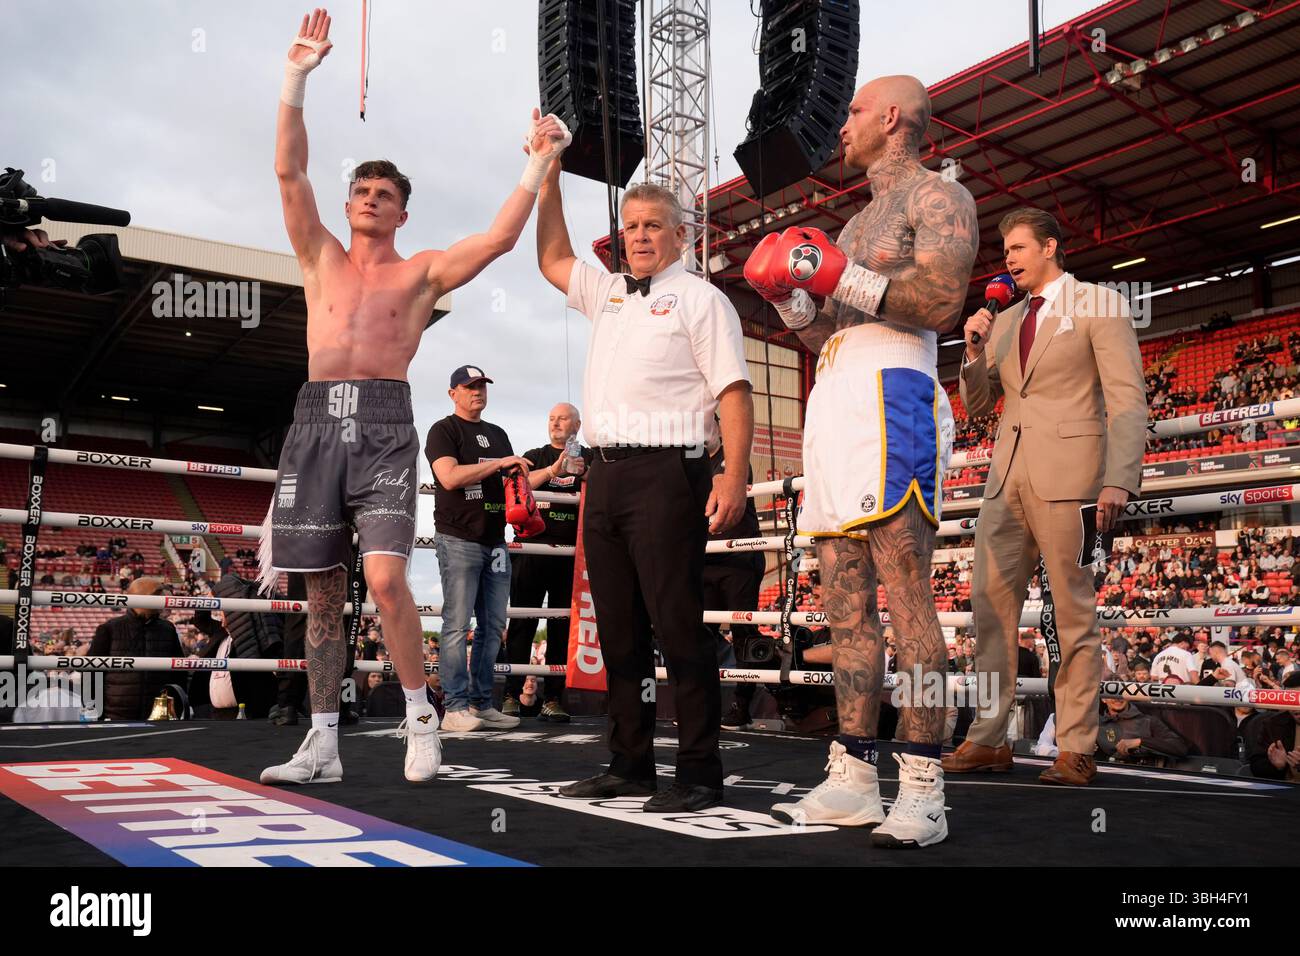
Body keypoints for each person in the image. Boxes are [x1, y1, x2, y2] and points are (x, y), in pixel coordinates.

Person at [258, 8, 571, 785]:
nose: (367, 197)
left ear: (402, 210)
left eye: (382, 191)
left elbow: (498, 240)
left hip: (386, 421)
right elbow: (290, 173)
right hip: (314, 421)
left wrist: (537, 163)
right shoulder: (319, 253)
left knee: (389, 579)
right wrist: (295, 77)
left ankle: (420, 716)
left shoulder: (422, 269)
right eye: (360, 188)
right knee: (322, 597)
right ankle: (322, 743)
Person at [744, 76, 977, 847]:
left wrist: (839, 275)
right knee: (844, 602)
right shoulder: (853, 220)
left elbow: (941, 300)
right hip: (839, 390)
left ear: (890, 118)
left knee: (906, 591)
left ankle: (924, 785)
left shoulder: (937, 198)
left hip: (894, 392)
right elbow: (832, 331)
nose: (838, 124)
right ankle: (853, 776)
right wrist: (789, 305)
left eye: (850, 111)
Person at [536, 158, 754, 812]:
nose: (638, 235)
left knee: (678, 626)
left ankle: (699, 772)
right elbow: (551, 256)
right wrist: (547, 179)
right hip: (602, 475)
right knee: (619, 631)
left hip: (668, 472)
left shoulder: (701, 299)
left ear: (680, 235)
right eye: (629, 225)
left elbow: (734, 394)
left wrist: (734, 474)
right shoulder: (605, 293)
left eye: (652, 225)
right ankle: (629, 764)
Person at [943, 205, 1146, 788]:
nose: (1008, 259)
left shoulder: (1099, 304)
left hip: (1076, 479)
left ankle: (1076, 747)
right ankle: (987, 738)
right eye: (1005, 250)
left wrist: (1118, 477)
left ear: (1051, 247)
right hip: (1005, 481)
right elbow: (980, 406)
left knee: (1073, 615)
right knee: (987, 609)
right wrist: (975, 351)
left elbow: (1128, 397)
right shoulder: (1003, 321)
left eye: (1019, 248)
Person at [426, 365, 532, 732]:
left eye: (482, 386)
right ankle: (454, 708)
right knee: (457, 624)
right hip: (458, 537)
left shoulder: (498, 433)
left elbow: (516, 479)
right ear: (453, 392)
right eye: (470, 387)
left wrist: (554, 472)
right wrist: (500, 464)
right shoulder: (443, 430)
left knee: (494, 625)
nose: (478, 392)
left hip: (494, 538)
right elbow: (449, 477)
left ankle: (481, 704)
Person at [501, 402, 592, 722]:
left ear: (577, 425)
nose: (555, 423)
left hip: (571, 555)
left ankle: (553, 699)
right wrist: (554, 470)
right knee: (522, 622)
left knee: (561, 626)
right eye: (551, 418)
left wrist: (586, 474)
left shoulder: (588, 456)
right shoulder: (533, 455)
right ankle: (511, 695)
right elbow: (515, 487)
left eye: (562, 418)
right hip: (531, 550)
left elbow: (606, 493)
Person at [705, 438, 765, 731]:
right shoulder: (690, 462)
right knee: (698, 631)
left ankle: (742, 705)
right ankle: (700, 705)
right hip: (705, 560)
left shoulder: (734, 457)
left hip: (739, 557)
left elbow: (731, 476)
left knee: (743, 630)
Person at [89, 577, 184, 721]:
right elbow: (91, 672)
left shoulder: (168, 629)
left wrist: (176, 707)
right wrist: (97, 711)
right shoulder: (109, 628)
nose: (164, 599)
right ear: (142, 597)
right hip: (116, 716)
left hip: (160, 716)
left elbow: (179, 672)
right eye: (158, 594)